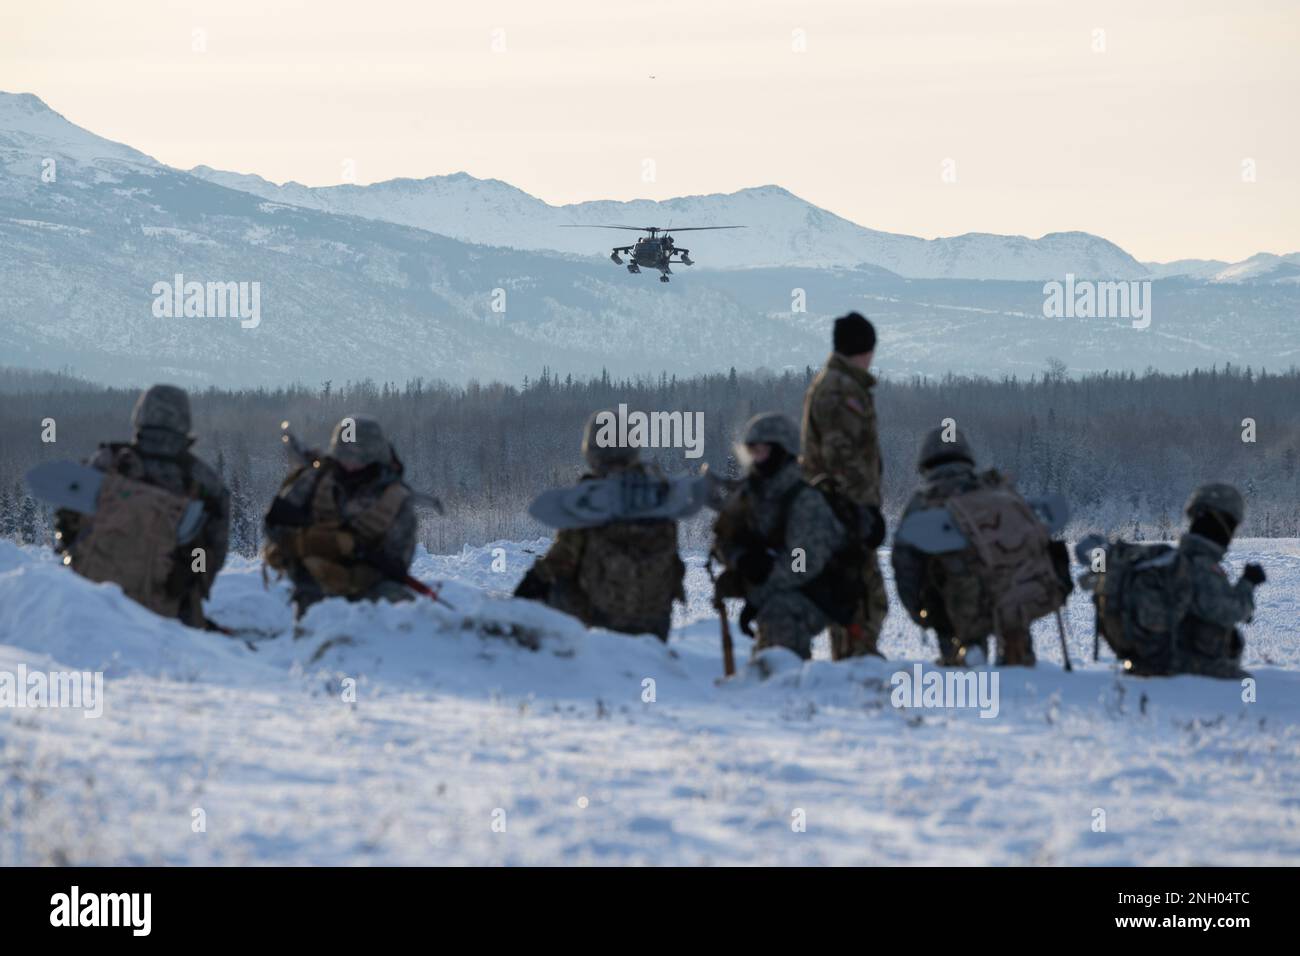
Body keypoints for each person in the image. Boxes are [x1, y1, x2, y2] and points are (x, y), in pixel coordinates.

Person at [54, 384, 230, 628]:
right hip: (170, 613)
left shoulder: (108, 462)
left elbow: (69, 521)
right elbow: (214, 552)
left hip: (88, 601)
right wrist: (192, 584)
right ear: (184, 420)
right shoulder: (204, 481)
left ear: (140, 414)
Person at [892, 426, 1068, 666]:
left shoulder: (924, 501)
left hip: (959, 605)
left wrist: (920, 612)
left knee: (942, 588)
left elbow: (906, 565)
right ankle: (1018, 654)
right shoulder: (997, 491)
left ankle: (964, 651)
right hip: (1017, 595)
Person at [514, 413, 685, 641]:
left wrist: (529, 585)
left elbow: (562, 560)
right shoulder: (658, 494)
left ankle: (559, 651)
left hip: (600, 619)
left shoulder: (591, 498)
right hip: (654, 623)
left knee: (557, 584)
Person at [711, 412, 854, 661]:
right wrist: (741, 558)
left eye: (762, 450)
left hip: (810, 593)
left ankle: (785, 683)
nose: (756, 458)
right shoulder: (750, 495)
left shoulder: (805, 500)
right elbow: (724, 539)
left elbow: (801, 564)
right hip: (771, 590)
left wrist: (760, 593)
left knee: (781, 614)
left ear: (781, 451)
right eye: (751, 451)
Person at [263, 415, 417, 616]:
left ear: (373, 455)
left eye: (358, 456)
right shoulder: (316, 479)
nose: (350, 463)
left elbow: (398, 560)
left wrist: (352, 554)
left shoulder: (394, 497)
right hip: (313, 579)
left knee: (397, 607)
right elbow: (274, 524)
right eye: (345, 454)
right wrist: (310, 541)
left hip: (370, 585)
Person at [800, 312, 888, 659]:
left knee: (861, 590)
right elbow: (840, 455)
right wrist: (858, 510)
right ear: (864, 349)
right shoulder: (840, 389)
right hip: (843, 512)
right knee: (860, 592)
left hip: (840, 510)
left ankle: (855, 654)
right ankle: (855, 656)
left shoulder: (837, 383)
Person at [1169, 483, 1263, 678]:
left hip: (1170, 661)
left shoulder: (1179, 560)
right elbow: (1232, 611)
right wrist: (1248, 583)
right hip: (1191, 668)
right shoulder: (1201, 566)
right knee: (1260, 688)